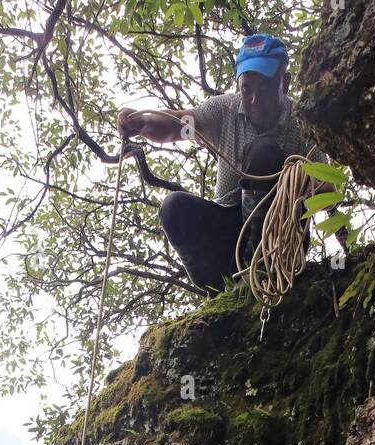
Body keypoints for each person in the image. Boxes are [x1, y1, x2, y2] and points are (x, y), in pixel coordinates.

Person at [118, 33, 326, 295]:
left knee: (263, 151)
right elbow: (178, 126)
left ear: (284, 82)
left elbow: (327, 189)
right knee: (175, 208)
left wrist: (294, 184)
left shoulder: (302, 124)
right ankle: (220, 289)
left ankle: (258, 270)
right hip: (228, 231)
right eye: (247, 89)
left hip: (279, 236)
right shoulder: (224, 110)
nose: (254, 100)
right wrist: (142, 123)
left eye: (264, 89)